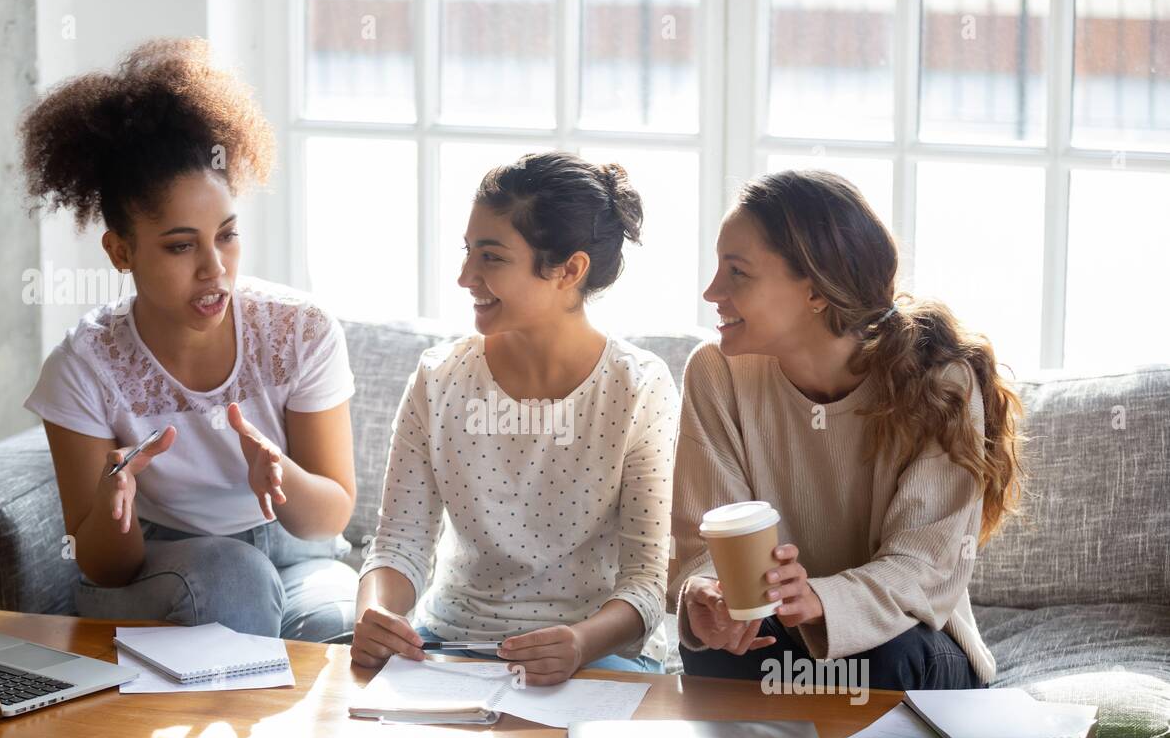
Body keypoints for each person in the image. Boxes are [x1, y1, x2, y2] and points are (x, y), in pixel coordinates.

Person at [21, 39, 358, 640]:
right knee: (233, 579)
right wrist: (116, 498)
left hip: (294, 551)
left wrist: (279, 472)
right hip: (161, 563)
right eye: (181, 246)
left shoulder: (299, 331)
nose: (214, 268)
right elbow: (105, 566)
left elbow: (330, 516)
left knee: (340, 623)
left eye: (226, 236)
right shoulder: (84, 365)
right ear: (121, 251)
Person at [669, 169, 1025, 690]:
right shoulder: (717, 372)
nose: (712, 291)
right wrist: (707, 596)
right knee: (717, 653)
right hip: (784, 640)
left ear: (814, 291)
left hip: (909, 644)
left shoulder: (942, 383)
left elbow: (921, 569)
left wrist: (819, 600)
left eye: (737, 272)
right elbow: (705, 536)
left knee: (882, 657)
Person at [353, 152, 680, 685]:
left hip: (598, 658)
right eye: (467, 252)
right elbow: (399, 543)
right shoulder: (439, 377)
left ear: (569, 270)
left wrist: (577, 644)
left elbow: (647, 579)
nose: (465, 277)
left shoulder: (638, 387)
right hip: (451, 642)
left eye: (491, 257)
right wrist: (376, 613)